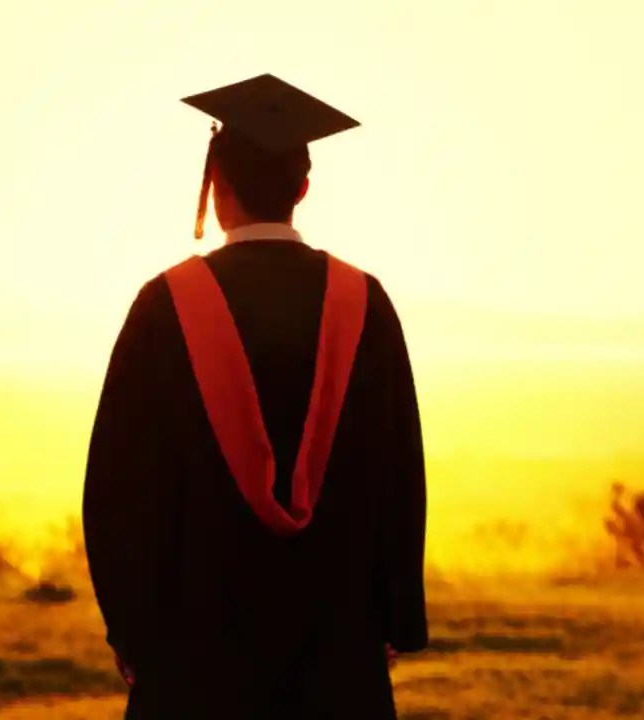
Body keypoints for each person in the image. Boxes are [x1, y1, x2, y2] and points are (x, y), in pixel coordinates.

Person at [82, 73, 428, 719]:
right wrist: (394, 620)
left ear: (216, 188)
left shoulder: (166, 307)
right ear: (302, 187)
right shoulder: (364, 303)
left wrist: (131, 632)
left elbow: (119, 487)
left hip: (195, 654)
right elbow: (398, 472)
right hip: (336, 648)